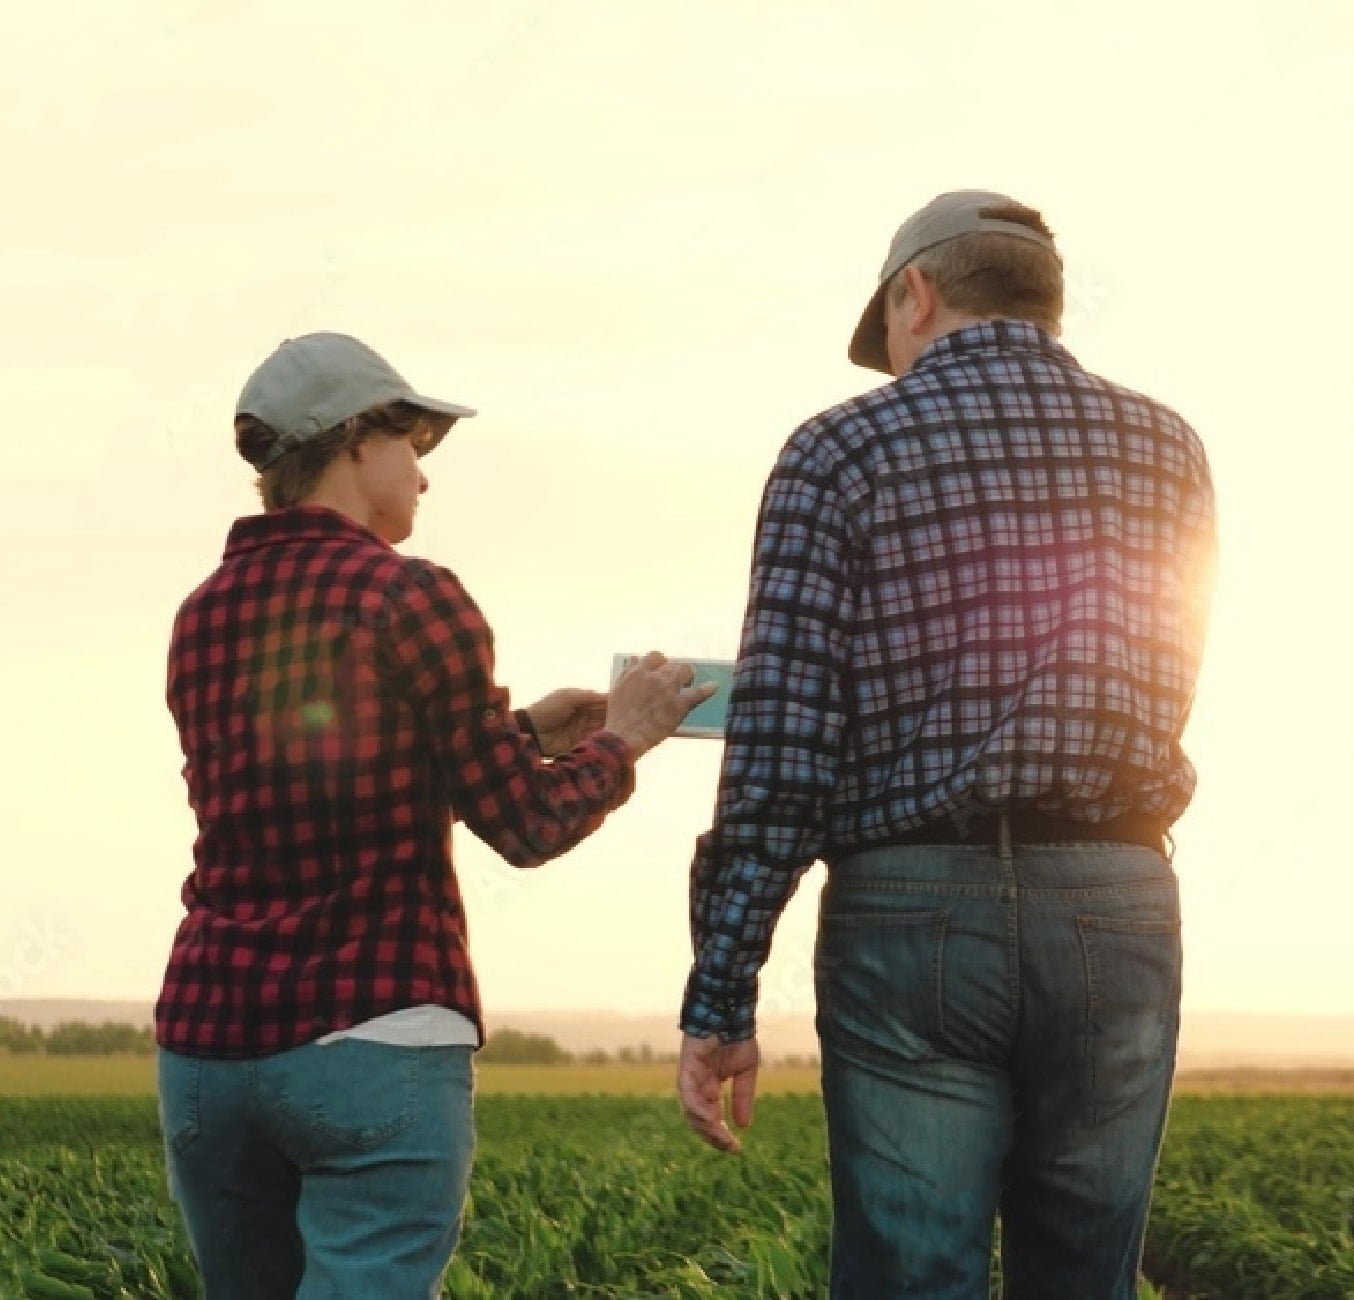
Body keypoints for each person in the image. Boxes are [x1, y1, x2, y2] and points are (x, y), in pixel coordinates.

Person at [676, 192, 1217, 1298]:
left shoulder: (840, 446)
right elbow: (1172, 675)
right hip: (1116, 892)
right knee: (1084, 1277)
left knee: (910, 1275)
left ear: (915, 292)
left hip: (911, 904)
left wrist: (722, 991)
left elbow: (783, 742)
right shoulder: (1169, 447)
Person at [155, 331, 712, 1299]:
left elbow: (327, 781)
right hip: (373, 1030)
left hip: (207, 1043)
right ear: (357, 442)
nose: (423, 475)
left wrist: (522, 729)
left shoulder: (203, 611)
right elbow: (527, 826)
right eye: (412, 444)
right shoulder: (413, 593)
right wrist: (624, 739)